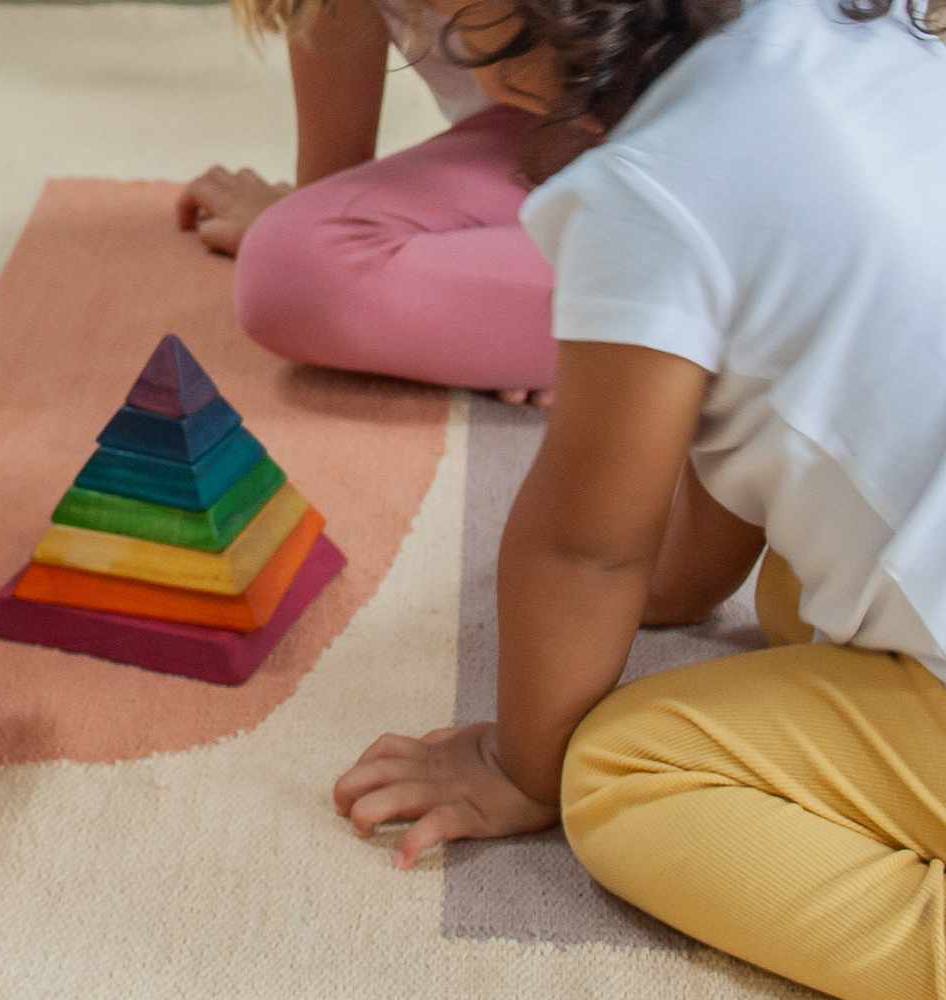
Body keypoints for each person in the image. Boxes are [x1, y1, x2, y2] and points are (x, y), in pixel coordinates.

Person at [332, 0, 946, 995]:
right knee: (799, 585)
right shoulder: (850, 32)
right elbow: (731, 464)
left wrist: (519, 763)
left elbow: (586, 548)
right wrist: (669, 589)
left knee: (622, 770)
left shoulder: (646, 193)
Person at [175, 0, 595, 404]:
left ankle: (616, 337)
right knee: (285, 260)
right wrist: (308, 208)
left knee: (285, 267)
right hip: (531, 133)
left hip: (617, 130)